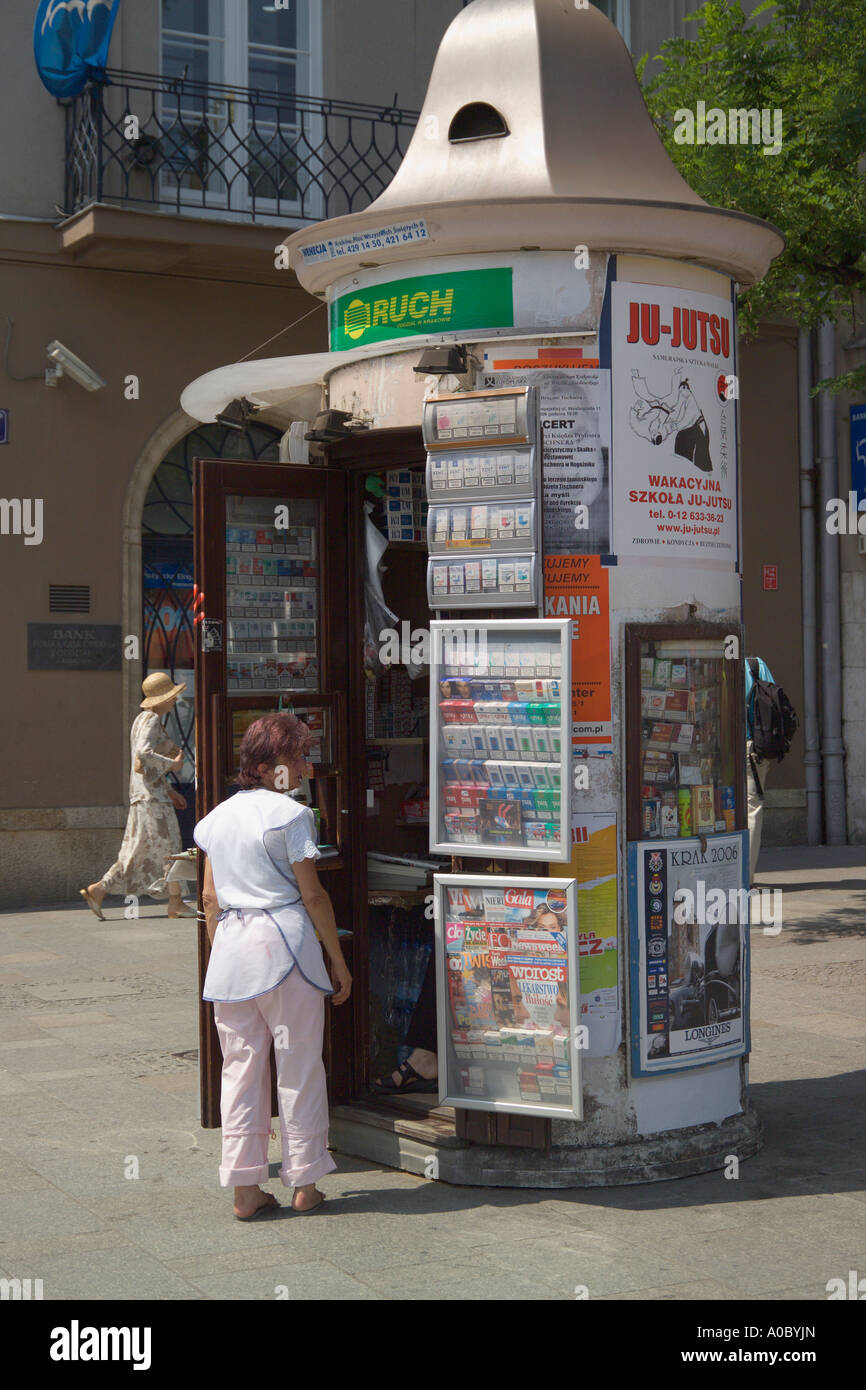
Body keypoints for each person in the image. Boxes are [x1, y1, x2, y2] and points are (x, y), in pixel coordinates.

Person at [195, 712, 352, 1220]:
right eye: (297, 757)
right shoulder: (291, 815)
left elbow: (209, 899)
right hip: (285, 945)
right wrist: (338, 961)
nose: (305, 767)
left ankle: (245, 1189)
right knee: (300, 1064)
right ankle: (305, 1181)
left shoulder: (215, 820)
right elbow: (313, 895)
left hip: (231, 954)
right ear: (267, 767)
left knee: (240, 1069)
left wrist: (226, 950)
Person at [81, 672, 192, 920]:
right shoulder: (151, 720)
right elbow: (144, 754)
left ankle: (99, 889)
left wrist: (170, 789)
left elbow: (142, 762)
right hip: (152, 800)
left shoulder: (143, 719)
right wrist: (172, 766)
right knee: (170, 847)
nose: (175, 700)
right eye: (171, 696)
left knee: (136, 850)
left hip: (147, 796)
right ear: (161, 698)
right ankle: (175, 902)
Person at [746, 655, 774, 883]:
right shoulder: (755, 665)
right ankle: (746, 877)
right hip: (753, 748)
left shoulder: (711, 660)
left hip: (720, 749)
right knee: (752, 809)